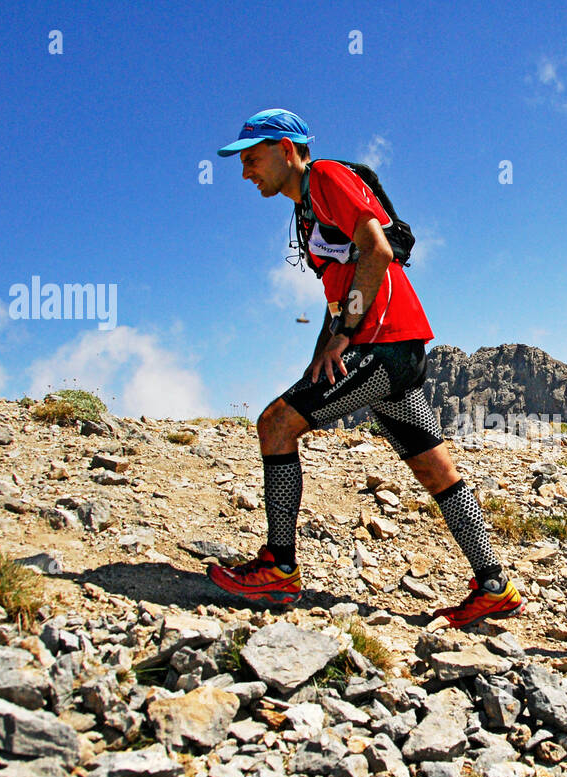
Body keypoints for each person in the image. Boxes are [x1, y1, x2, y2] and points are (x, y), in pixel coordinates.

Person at [208, 109, 523, 629]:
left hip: (383, 342)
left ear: (287, 149)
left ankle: (279, 569)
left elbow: (376, 250)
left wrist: (346, 337)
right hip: (389, 345)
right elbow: (340, 286)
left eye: (252, 158)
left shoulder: (327, 176)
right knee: (433, 468)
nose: (245, 172)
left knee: (275, 424)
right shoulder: (305, 210)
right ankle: (495, 586)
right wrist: (325, 347)